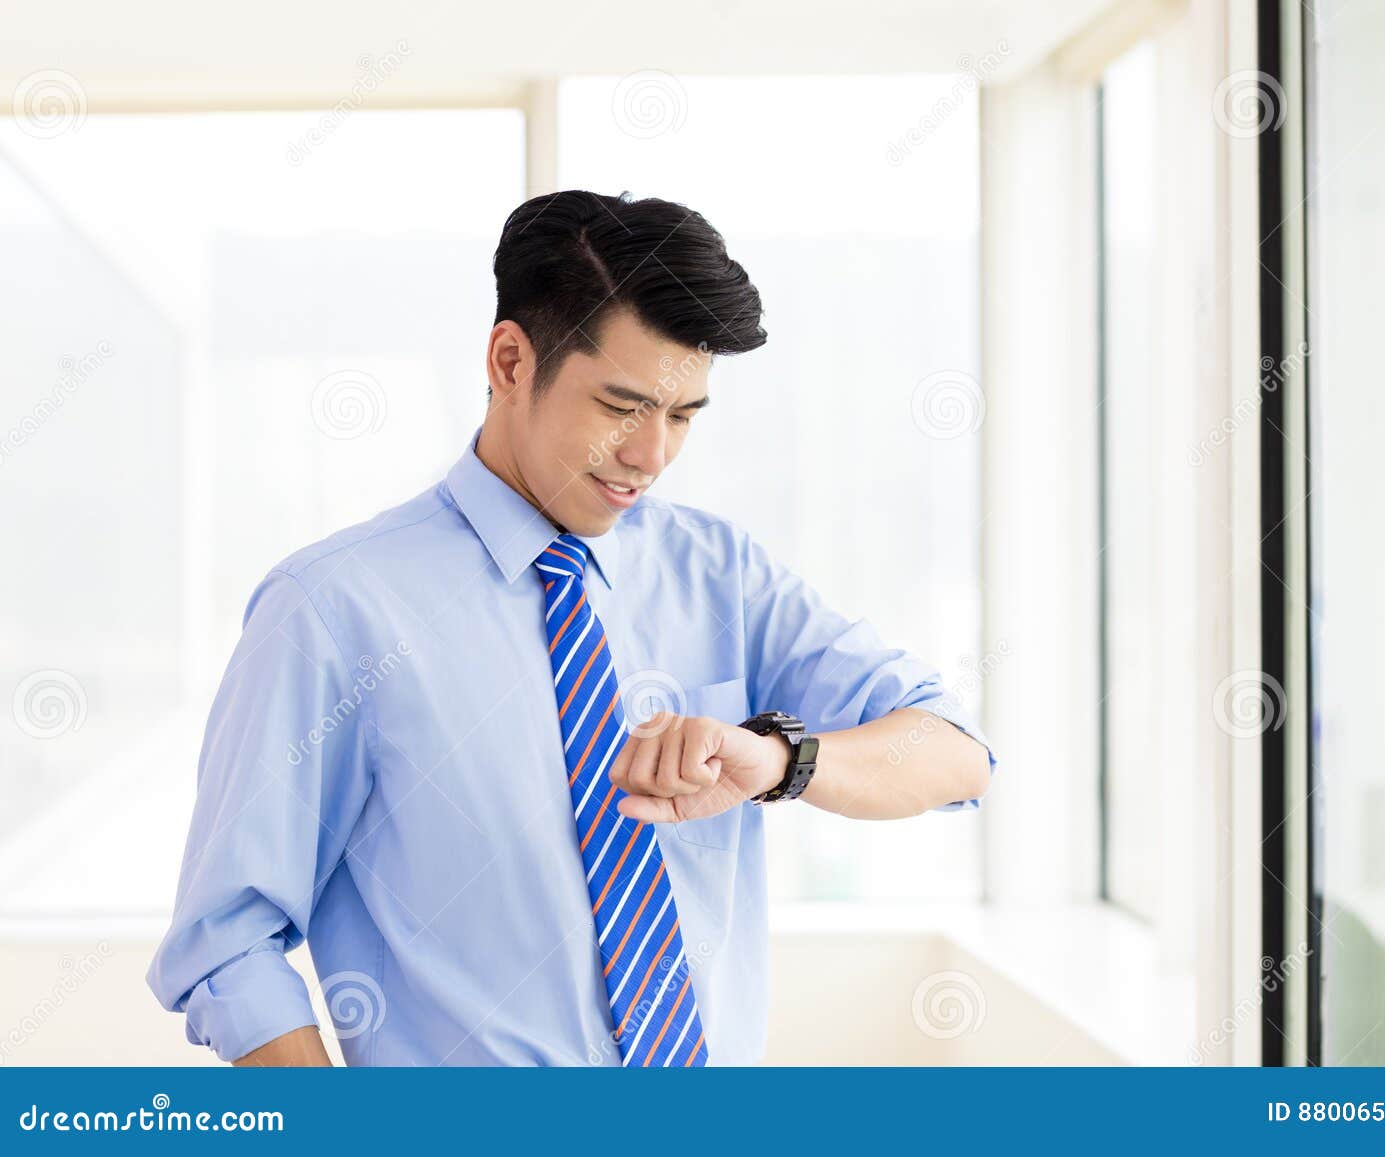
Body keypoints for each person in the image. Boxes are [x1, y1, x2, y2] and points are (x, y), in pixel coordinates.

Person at [146, 189, 996, 1067]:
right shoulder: (332, 610)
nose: (651, 454)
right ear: (511, 360)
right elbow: (227, 940)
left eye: (683, 415)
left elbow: (956, 751)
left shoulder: (720, 576)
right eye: (623, 405)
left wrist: (782, 759)